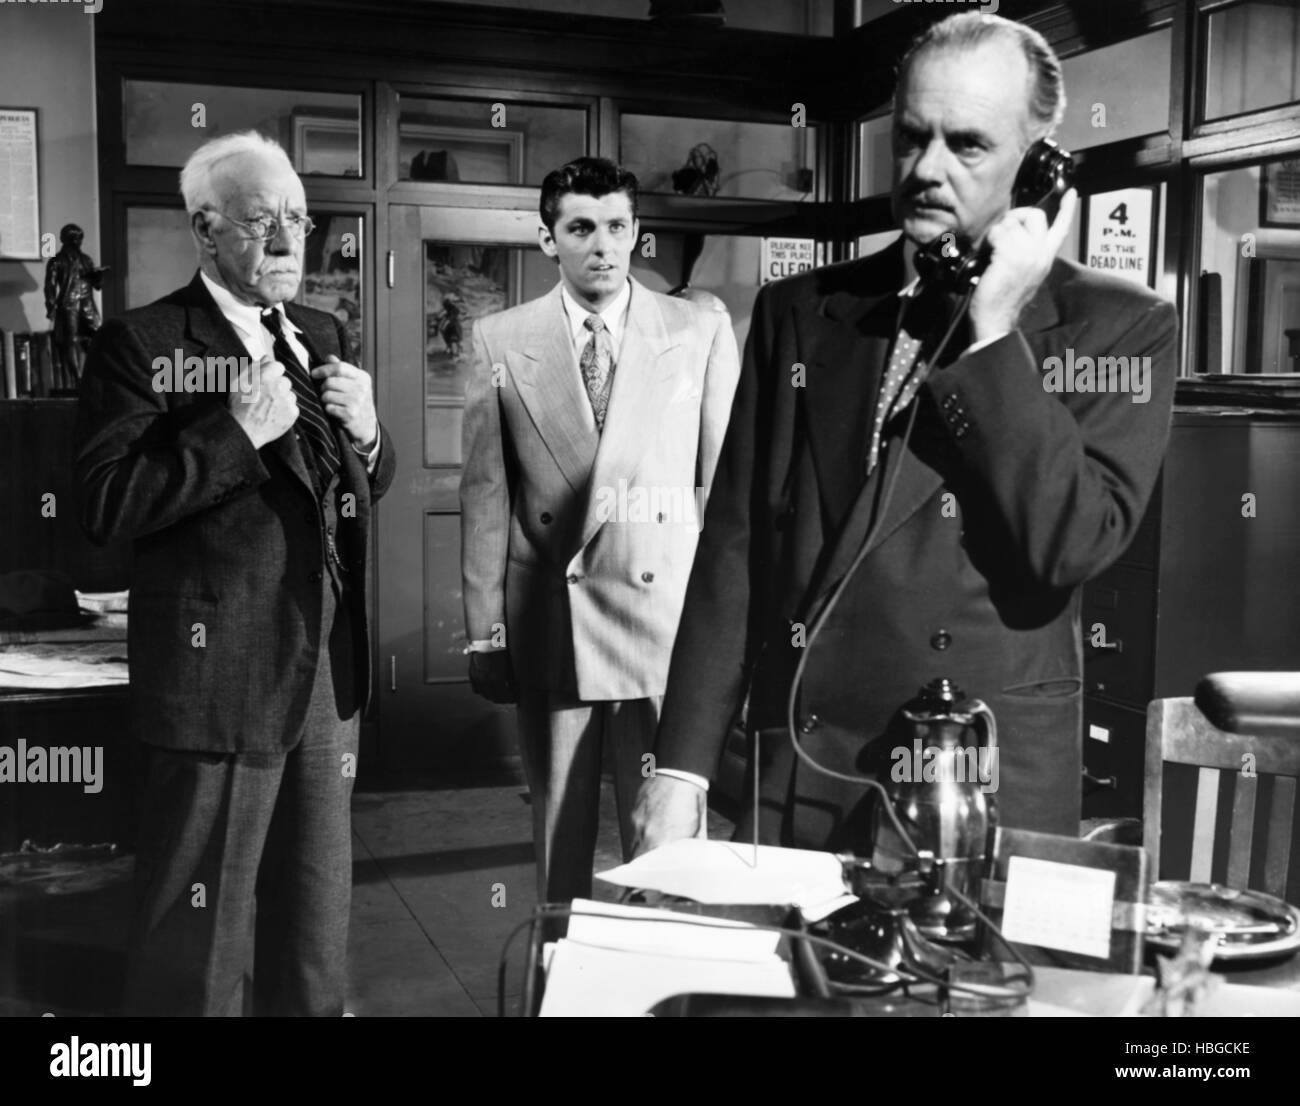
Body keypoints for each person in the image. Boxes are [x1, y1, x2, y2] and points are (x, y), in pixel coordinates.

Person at [631, 12, 1179, 853]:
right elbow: (736, 548)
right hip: (806, 760)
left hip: (981, 772)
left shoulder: (1116, 328)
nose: (926, 169)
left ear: (1039, 171)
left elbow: (1067, 545)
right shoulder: (801, 313)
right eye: (913, 137)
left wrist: (994, 336)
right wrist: (681, 770)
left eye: (966, 145)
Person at [74, 131, 395, 1016]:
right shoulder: (140, 343)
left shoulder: (322, 332)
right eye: (263, 221)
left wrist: (371, 436)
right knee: (199, 941)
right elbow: (104, 508)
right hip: (217, 676)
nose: (292, 240)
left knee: (315, 923)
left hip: (326, 675)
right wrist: (234, 434)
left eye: (299, 216)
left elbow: (353, 484)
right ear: (206, 229)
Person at [460, 156, 741, 903]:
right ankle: (560, 987)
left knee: (668, 848)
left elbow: (722, 496)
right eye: (581, 228)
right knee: (561, 850)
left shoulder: (699, 328)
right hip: (556, 623)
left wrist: (729, 635)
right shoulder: (498, 340)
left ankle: (660, 994)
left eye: (617, 227)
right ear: (548, 239)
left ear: (637, 233)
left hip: (666, 627)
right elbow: (488, 496)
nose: (602, 246)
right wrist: (484, 632)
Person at [44, 223, 105, 384]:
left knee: (98, 336)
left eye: (80, 238)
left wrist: (98, 276)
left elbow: (97, 286)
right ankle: (77, 378)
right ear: (69, 240)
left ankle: (95, 376)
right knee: (70, 341)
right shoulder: (57, 261)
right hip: (68, 305)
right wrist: (51, 306)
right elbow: (49, 286)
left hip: (87, 304)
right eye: (77, 239)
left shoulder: (86, 260)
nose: (79, 242)